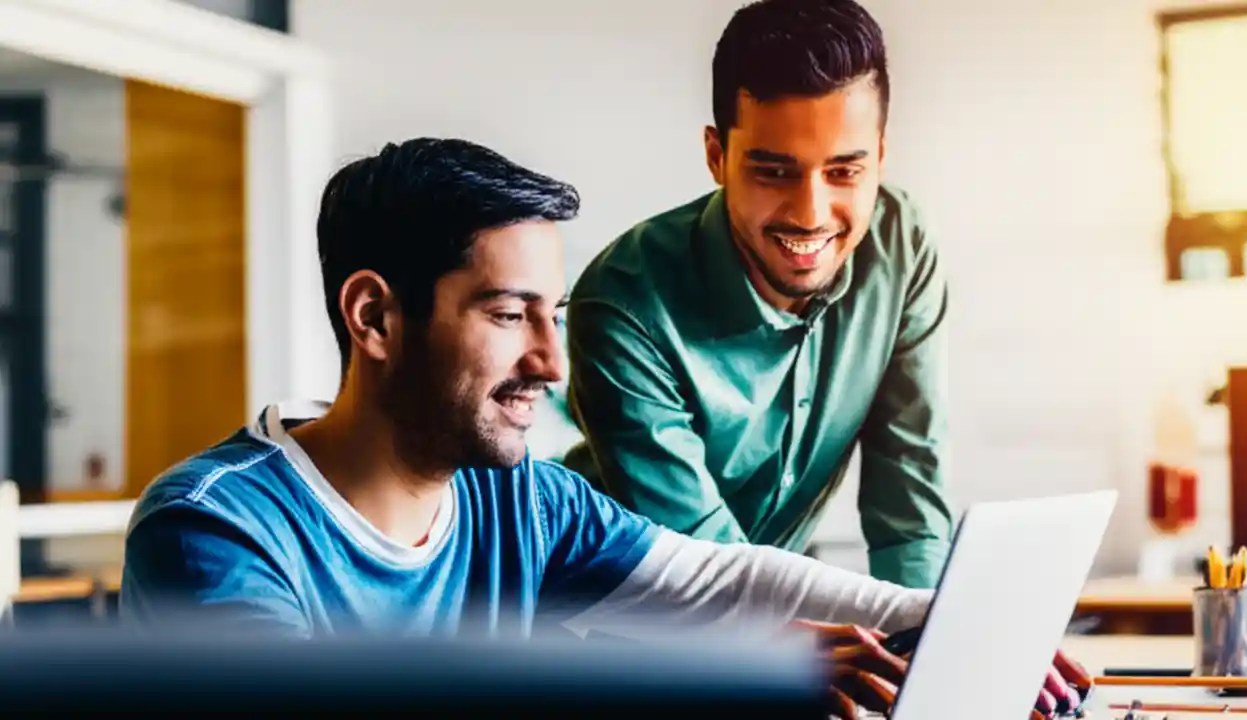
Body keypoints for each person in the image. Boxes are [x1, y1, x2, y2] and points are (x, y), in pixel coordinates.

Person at [120, 138, 1084, 719]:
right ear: (375, 318)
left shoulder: (519, 495)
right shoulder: (215, 527)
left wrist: (939, 619)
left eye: (555, 316)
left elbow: (715, 577)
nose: (550, 363)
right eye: (507, 317)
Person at [561, 0, 952, 589]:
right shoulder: (622, 303)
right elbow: (705, 568)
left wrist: (932, 641)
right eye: (774, 171)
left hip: (774, 627)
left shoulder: (901, 244)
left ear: (880, 157)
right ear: (717, 156)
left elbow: (910, 503)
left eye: (845, 171)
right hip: (611, 632)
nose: (810, 214)